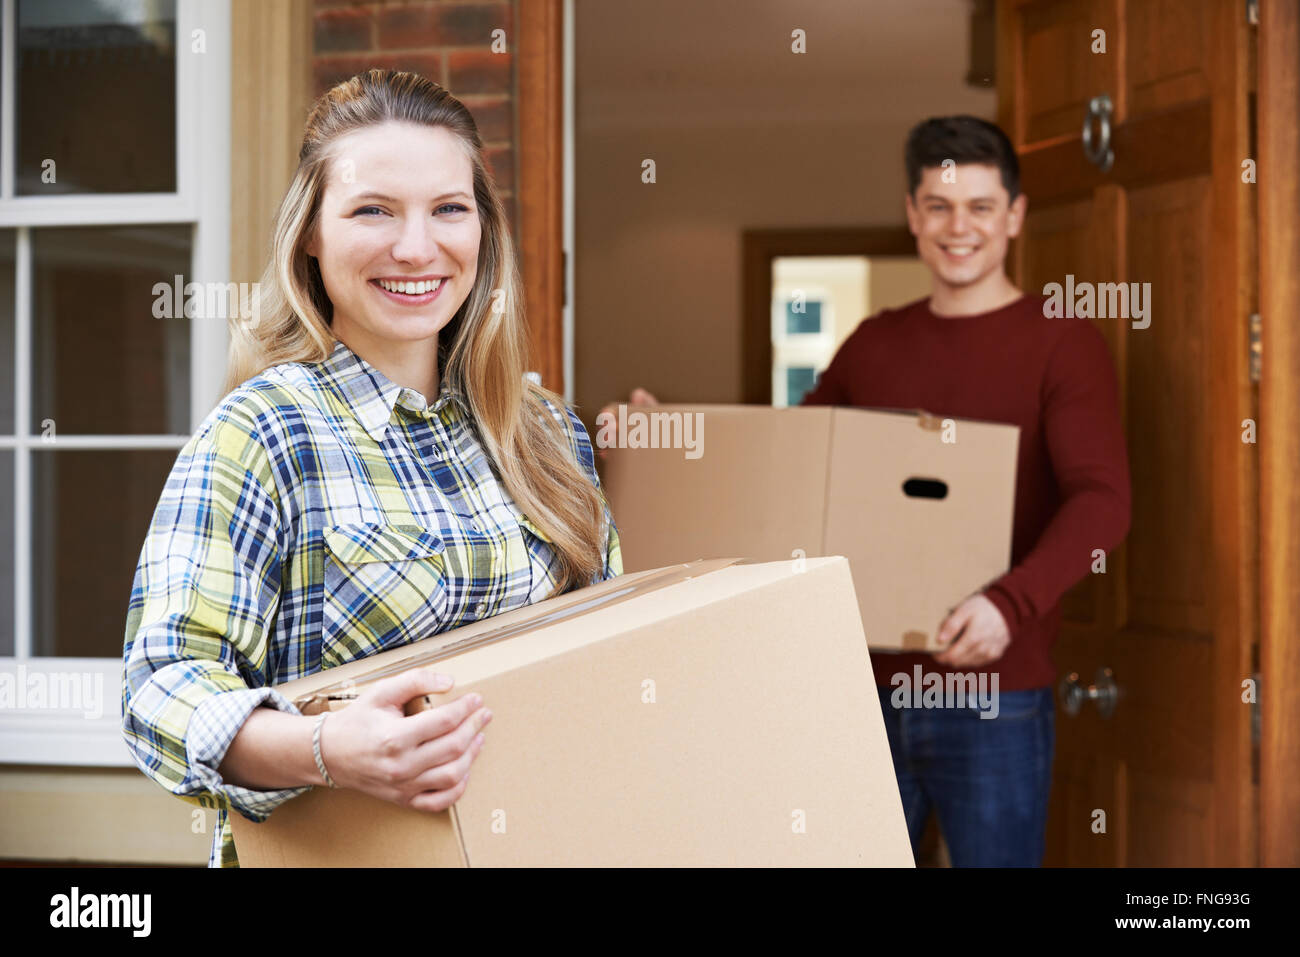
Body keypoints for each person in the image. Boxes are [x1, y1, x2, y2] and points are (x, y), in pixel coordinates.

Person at [121, 69, 621, 868]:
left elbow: (616, 660)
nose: (417, 247)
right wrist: (325, 745)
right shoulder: (266, 433)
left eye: (448, 209)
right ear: (310, 235)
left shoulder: (547, 435)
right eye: (373, 210)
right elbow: (160, 690)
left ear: (483, 231)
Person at [604, 115, 1130, 866]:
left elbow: (1103, 499)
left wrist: (1008, 604)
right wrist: (671, 439)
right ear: (914, 214)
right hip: (863, 688)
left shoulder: (1062, 339)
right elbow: (783, 466)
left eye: (981, 206)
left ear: (1014, 215)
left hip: (994, 692)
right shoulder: (875, 342)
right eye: (939, 205)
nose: (960, 227)